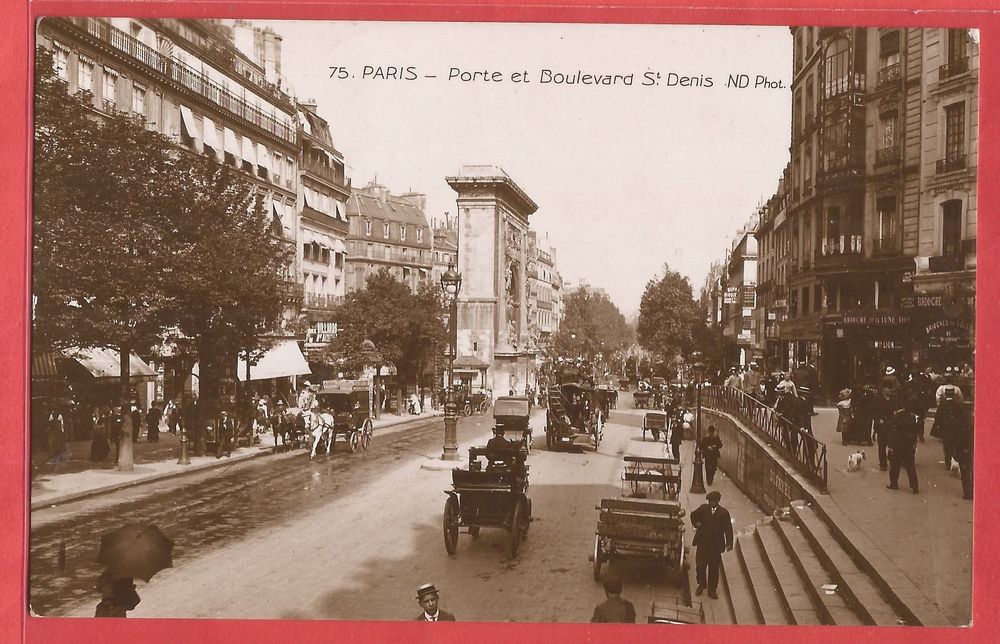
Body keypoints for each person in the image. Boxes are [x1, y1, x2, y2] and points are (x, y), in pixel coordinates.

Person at [690, 491, 733, 599]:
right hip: (703, 543)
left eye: (714, 502)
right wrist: (696, 524)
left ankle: (712, 590)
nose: (711, 504)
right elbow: (693, 515)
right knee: (700, 565)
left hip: (716, 546)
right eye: (710, 501)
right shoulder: (703, 509)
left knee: (714, 568)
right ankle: (702, 584)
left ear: (718, 502)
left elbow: (728, 529)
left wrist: (729, 544)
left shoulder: (724, 513)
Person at [886, 406, 919, 494]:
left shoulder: (895, 417)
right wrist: (914, 444)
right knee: (910, 466)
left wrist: (890, 445)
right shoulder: (912, 417)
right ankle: (914, 486)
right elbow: (915, 431)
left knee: (895, 465)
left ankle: (894, 483)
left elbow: (891, 432)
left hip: (897, 444)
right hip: (908, 444)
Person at [932, 387, 966, 470]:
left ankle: (948, 462)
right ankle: (954, 460)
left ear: (945, 395)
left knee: (947, 446)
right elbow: (962, 417)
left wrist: (938, 426)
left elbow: (937, 416)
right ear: (954, 395)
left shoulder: (942, 404)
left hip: (946, 428)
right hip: (955, 429)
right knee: (955, 445)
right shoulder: (957, 404)